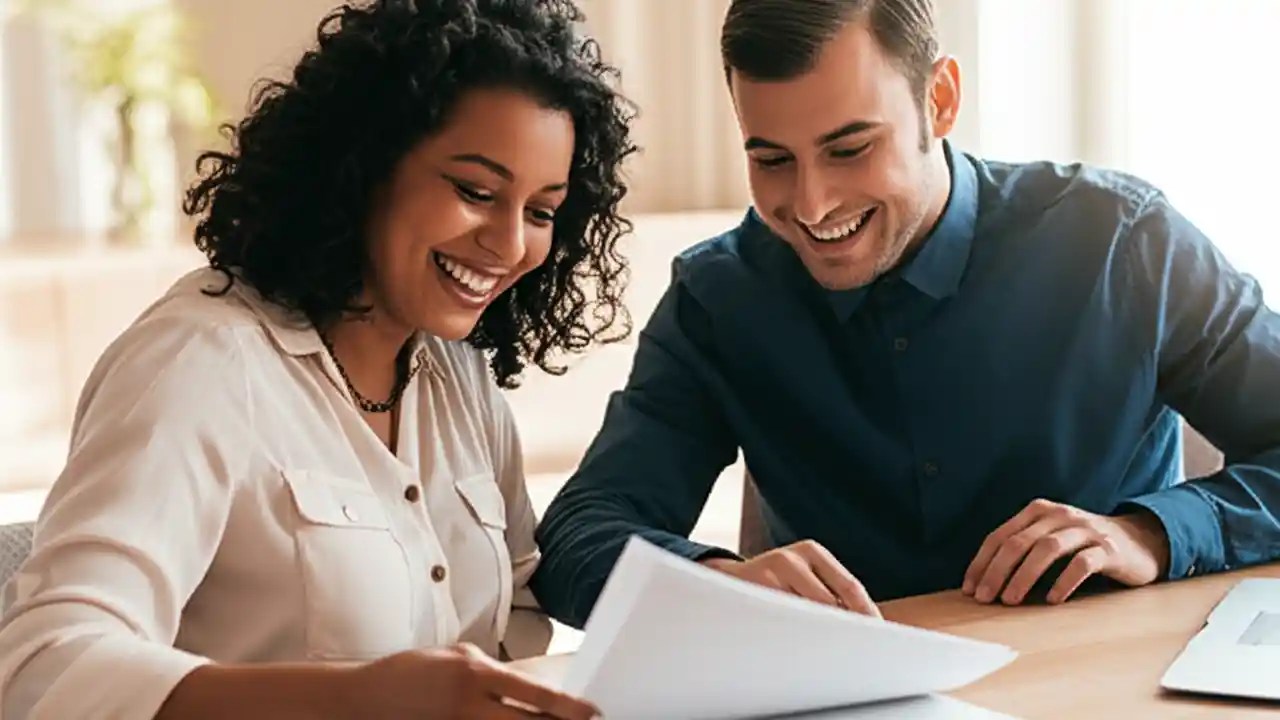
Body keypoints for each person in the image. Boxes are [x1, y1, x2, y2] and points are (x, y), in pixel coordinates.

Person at [531, 0, 1280, 630]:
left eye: (850, 148)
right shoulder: (718, 298)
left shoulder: (1122, 241)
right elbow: (576, 535)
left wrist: (1151, 532)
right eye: (772, 160)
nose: (812, 205)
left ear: (941, 101)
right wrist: (719, 582)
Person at [0, 0, 635, 717]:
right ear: (364, 165)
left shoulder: (460, 377)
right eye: (476, 191)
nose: (511, 243)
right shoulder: (201, 364)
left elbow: (513, 618)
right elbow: (44, 669)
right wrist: (359, 699)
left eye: (542, 211)